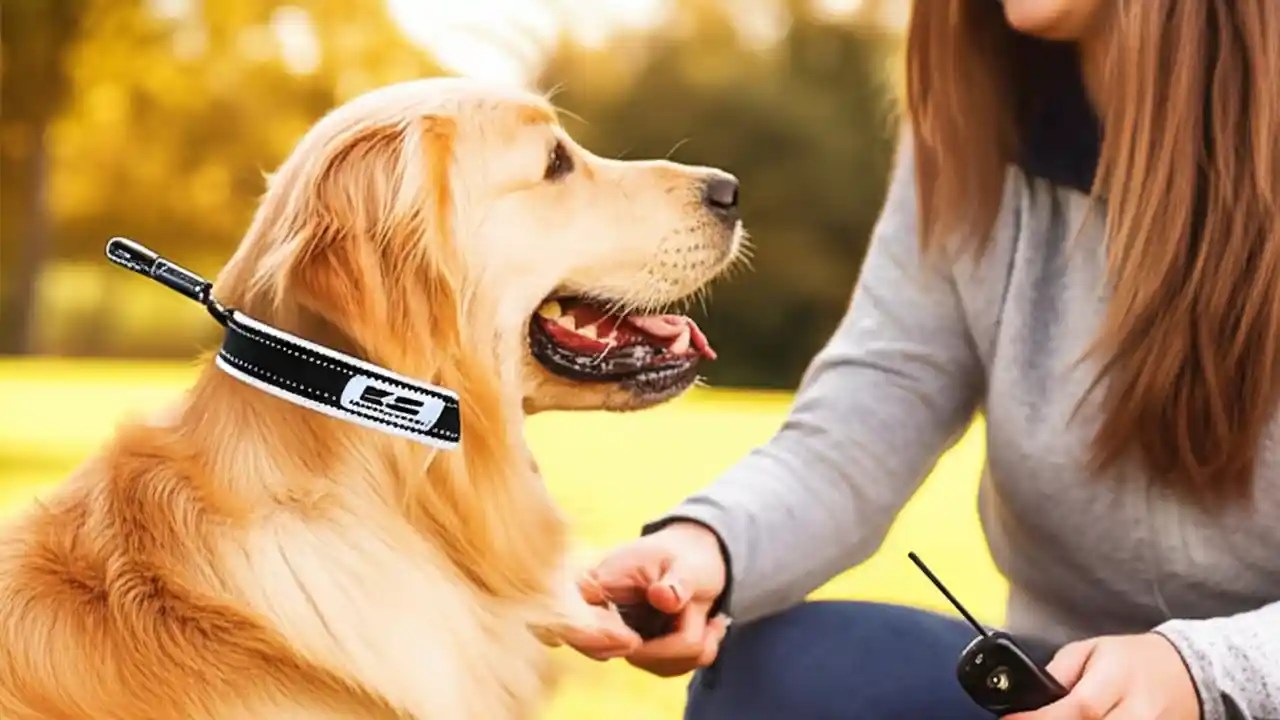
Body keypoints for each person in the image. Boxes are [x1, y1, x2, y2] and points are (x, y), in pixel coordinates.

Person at [559, 0, 1280, 718]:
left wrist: (1200, 672)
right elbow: (875, 406)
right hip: (1056, 690)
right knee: (780, 677)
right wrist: (708, 546)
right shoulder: (976, 126)